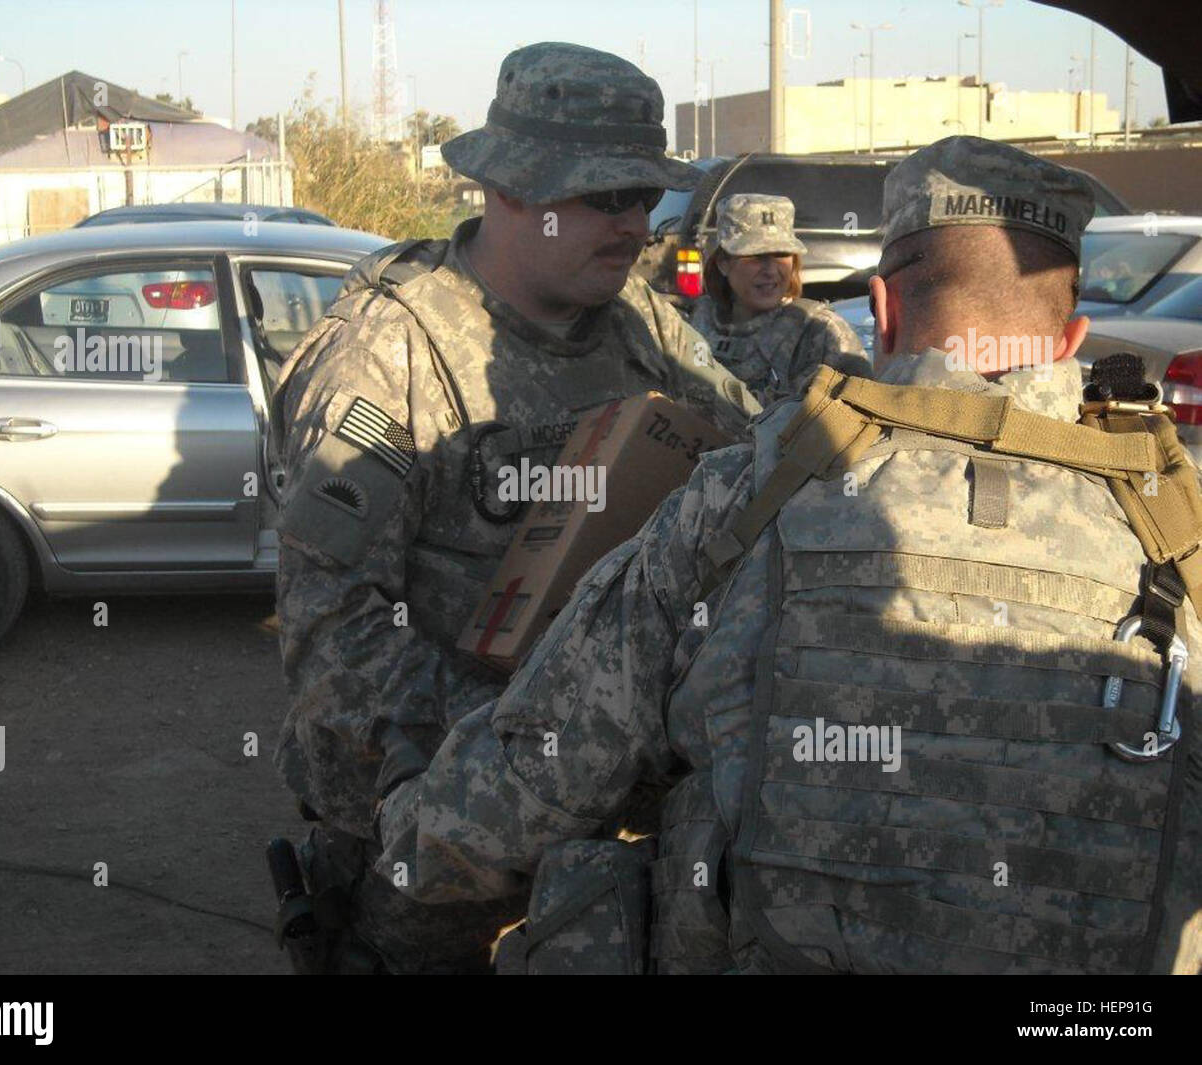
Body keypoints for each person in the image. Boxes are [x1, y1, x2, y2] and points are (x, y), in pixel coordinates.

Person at [372, 136, 1202, 975]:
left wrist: (403, 823)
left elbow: (524, 786)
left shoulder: (753, 491)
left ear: (879, 308)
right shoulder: (1180, 524)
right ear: (1074, 339)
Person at [271, 41, 761, 974]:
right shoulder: (387, 354)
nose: (634, 227)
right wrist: (543, 742)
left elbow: (757, 456)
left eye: (645, 199)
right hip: (441, 849)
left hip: (605, 837)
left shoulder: (641, 327)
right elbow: (331, 634)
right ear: (507, 189)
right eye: (602, 197)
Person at [688, 193, 869, 404]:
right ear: (723, 263)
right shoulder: (698, 321)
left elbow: (865, 414)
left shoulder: (820, 331)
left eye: (781, 254)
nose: (770, 270)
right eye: (755, 256)